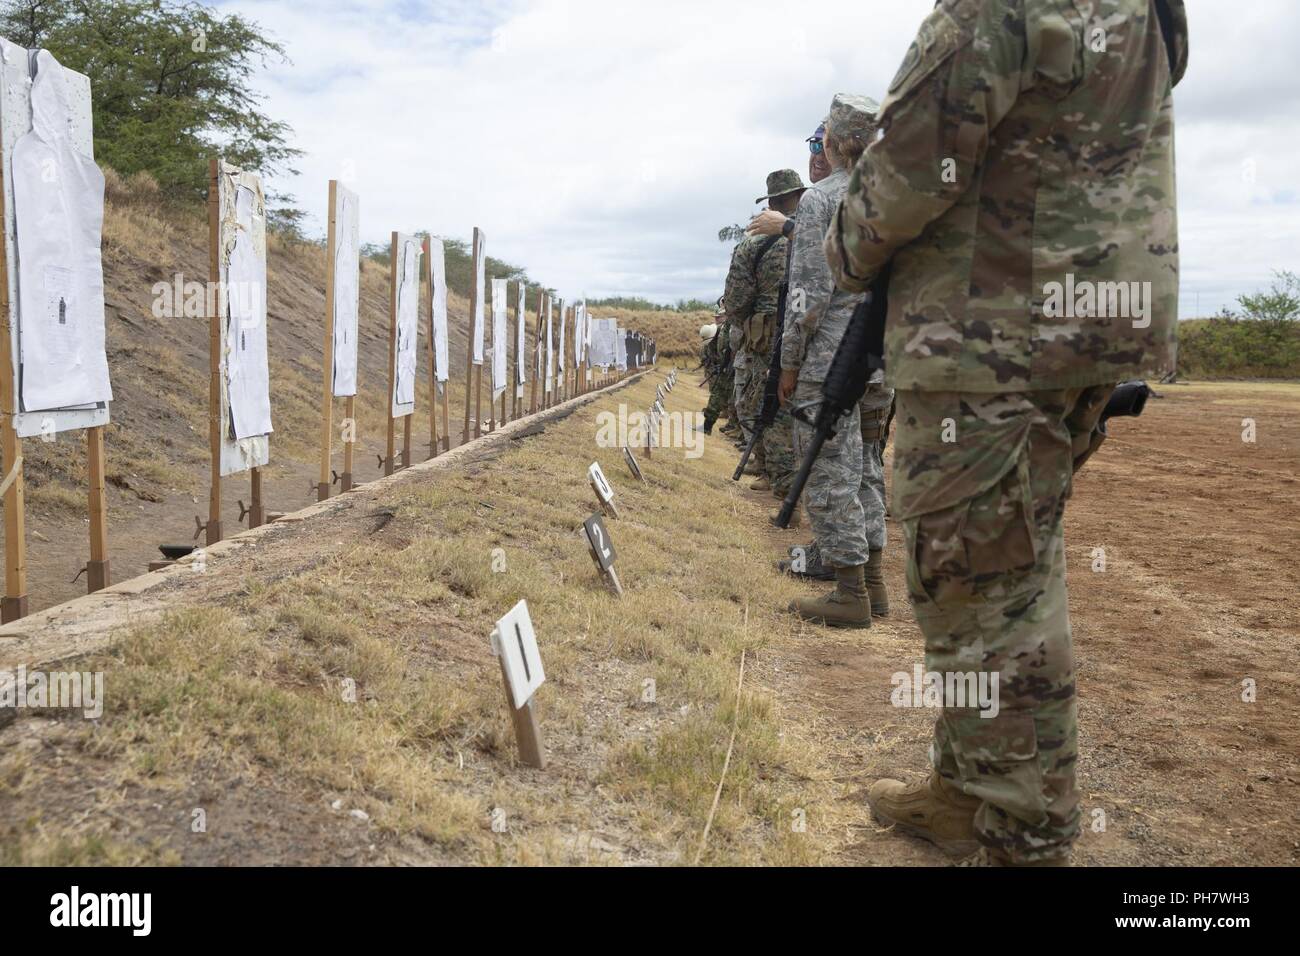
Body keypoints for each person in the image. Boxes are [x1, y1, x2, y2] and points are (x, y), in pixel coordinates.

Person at [825, 0, 1186, 865]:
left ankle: (1023, 831)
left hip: (991, 331)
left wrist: (846, 247)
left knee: (981, 589)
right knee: (1007, 567)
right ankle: (967, 795)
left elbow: (907, 170)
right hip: (1074, 323)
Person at [778, 93, 880, 629]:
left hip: (829, 359)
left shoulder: (821, 200)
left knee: (828, 470)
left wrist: (790, 362)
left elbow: (809, 296)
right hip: (876, 359)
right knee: (863, 467)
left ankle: (849, 592)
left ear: (837, 143)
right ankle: (877, 584)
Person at [725, 170, 806, 492]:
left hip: (769, 337)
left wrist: (749, 320)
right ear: (801, 196)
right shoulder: (824, 232)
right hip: (824, 333)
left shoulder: (754, 244)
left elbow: (736, 301)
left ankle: (785, 484)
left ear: (771, 202)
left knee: (770, 406)